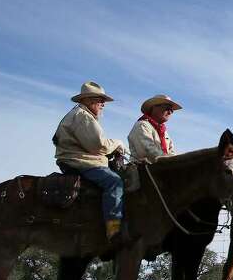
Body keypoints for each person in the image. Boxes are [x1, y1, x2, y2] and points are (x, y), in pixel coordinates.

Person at [53, 81, 129, 246]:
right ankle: (113, 230)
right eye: (100, 100)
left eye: (104, 101)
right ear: (87, 100)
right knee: (115, 182)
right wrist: (117, 144)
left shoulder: (81, 114)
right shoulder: (82, 116)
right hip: (80, 162)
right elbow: (98, 145)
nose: (103, 104)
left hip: (80, 159)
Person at [128, 94, 182, 163]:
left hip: (161, 169)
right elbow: (147, 152)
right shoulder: (142, 125)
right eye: (167, 108)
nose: (170, 112)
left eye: (172, 110)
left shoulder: (164, 132)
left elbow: (171, 152)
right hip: (142, 170)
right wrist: (172, 161)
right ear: (154, 107)